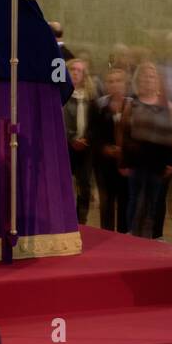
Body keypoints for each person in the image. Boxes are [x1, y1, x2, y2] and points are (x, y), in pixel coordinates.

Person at [119, 60, 172, 239]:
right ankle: (131, 233)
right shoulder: (130, 104)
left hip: (159, 161)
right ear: (138, 79)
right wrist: (123, 162)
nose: (148, 80)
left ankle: (156, 235)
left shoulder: (167, 106)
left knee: (156, 200)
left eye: (152, 76)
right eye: (145, 76)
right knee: (133, 199)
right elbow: (124, 134)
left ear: (157, 80)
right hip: (136, 160)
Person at [90, 66, 130, 231]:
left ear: (125, 84)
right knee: (106, 202)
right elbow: (92, 134)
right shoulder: (98, 106)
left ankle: (123, 236)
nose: (115, 85)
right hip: (104, 163)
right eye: (111, 81)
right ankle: (106, 236)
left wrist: (126, 152)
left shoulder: (132, 106)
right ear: (106, 85)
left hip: (126, 162)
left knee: (125, 201)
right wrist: (105, 148)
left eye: (118, 81)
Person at [63, 57, 95, 224]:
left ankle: (81, 218)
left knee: (84, 184)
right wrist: (72, 138)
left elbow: (94, 122)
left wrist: (85, 139)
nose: (75, 73)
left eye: (79, 70)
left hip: (86, 146)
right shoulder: (63, 95)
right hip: (67, 145)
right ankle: (65, 217)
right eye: (72, 70)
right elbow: (61, 120)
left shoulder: (91, 97)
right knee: (65, 182)